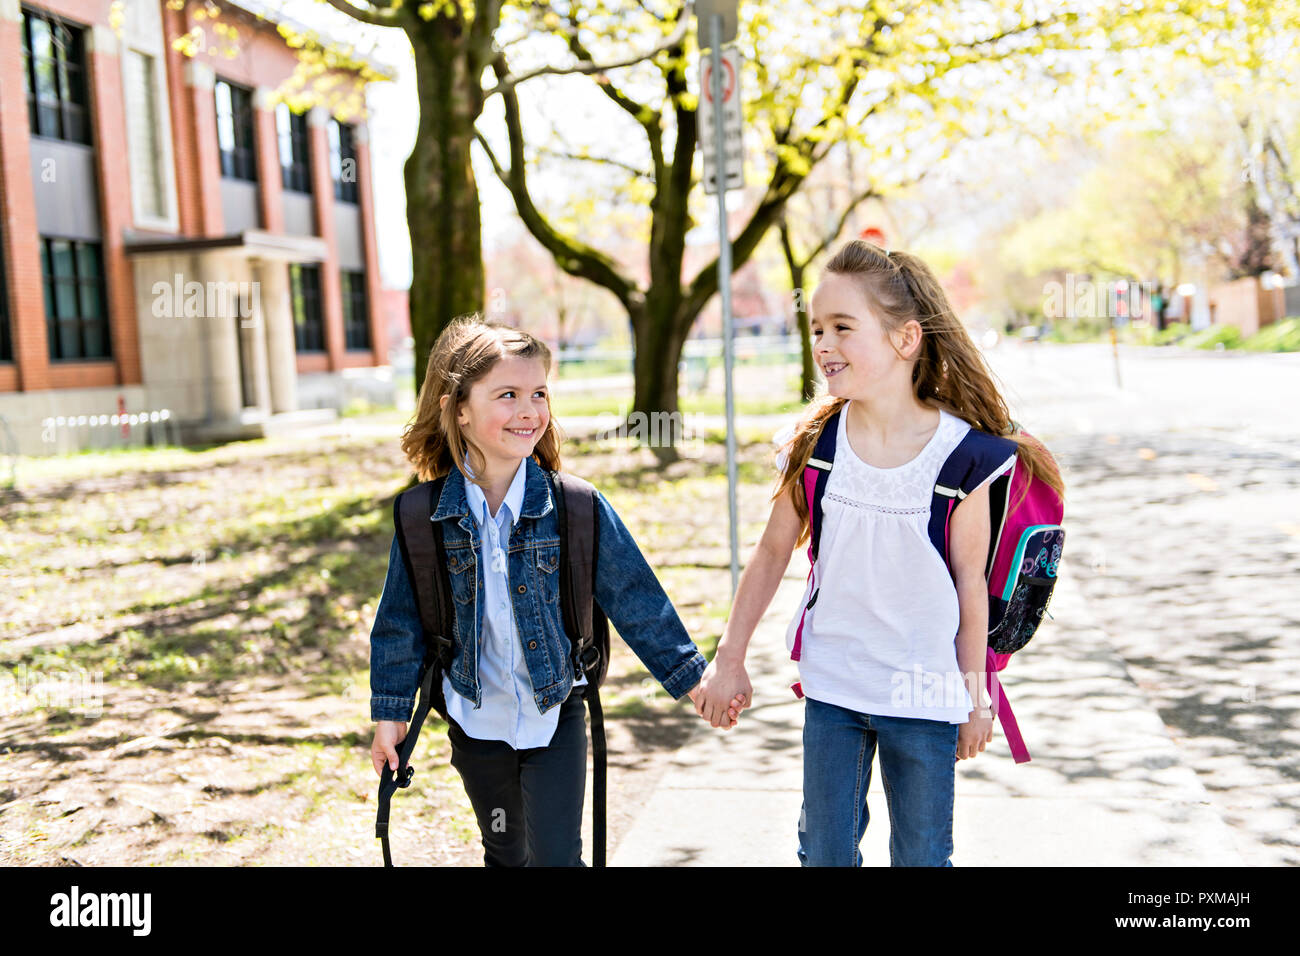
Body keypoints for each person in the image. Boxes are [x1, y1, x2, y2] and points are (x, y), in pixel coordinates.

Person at [692, 240, 1065, 866]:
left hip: (925, 694)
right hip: (834, 687)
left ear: (905, 338)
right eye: (816, 327)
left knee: (922, 857)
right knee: (824, 855)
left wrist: (977, 698)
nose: (823, 342)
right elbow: (771, 553)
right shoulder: (814, 445)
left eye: (843, 326)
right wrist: (729, 659)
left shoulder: (964, 457)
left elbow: (971, 587)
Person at [369, 315, 741, 866]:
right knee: (504, 850)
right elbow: (399, 623)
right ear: (459, 409)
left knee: (558, 856)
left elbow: (636, 598)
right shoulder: (424, 515)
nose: (529, 410)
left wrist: (693, 680)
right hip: (477, 722)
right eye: (508, 394)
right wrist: (391, 714)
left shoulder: (575, 507)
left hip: (555, 715)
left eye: (539, 393)